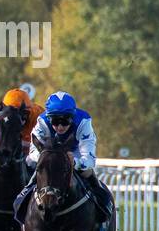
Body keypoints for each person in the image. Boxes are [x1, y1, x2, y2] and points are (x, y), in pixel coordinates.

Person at [17, 91, 113, 220]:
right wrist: (47, 158)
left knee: (87, 172)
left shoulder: (83, 122)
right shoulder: (42, 121)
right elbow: (33, 153)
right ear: (49, 118)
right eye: (55, 121)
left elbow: (89, 160)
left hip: (75, 154)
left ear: (72, 117)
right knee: (32, 168)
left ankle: (103, 206)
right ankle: (21, 208)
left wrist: (74, 162)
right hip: (49, 156)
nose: (60, 126)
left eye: (65, 121)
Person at [0, 87, 43, 212]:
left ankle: (40, 200)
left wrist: (23, 145)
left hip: (31, 155)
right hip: (6, 154)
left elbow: (44, 142)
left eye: (23, 114)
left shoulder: (38, 114)